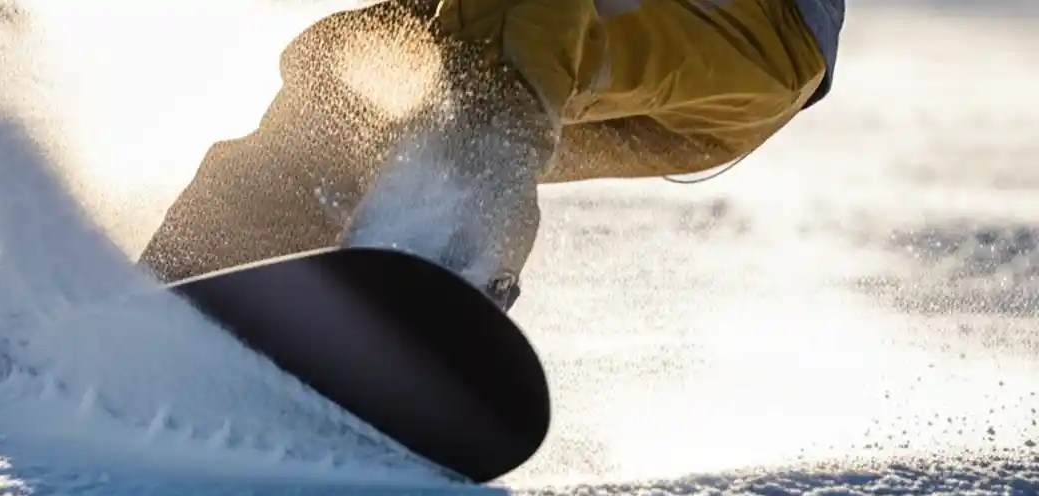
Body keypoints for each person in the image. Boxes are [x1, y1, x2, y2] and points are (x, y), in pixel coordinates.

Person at [139, 0, 845, 309]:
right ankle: (192, 285)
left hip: (749, 30)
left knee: (491, 64)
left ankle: (441, 250)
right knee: (354, 74)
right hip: (659, 83)